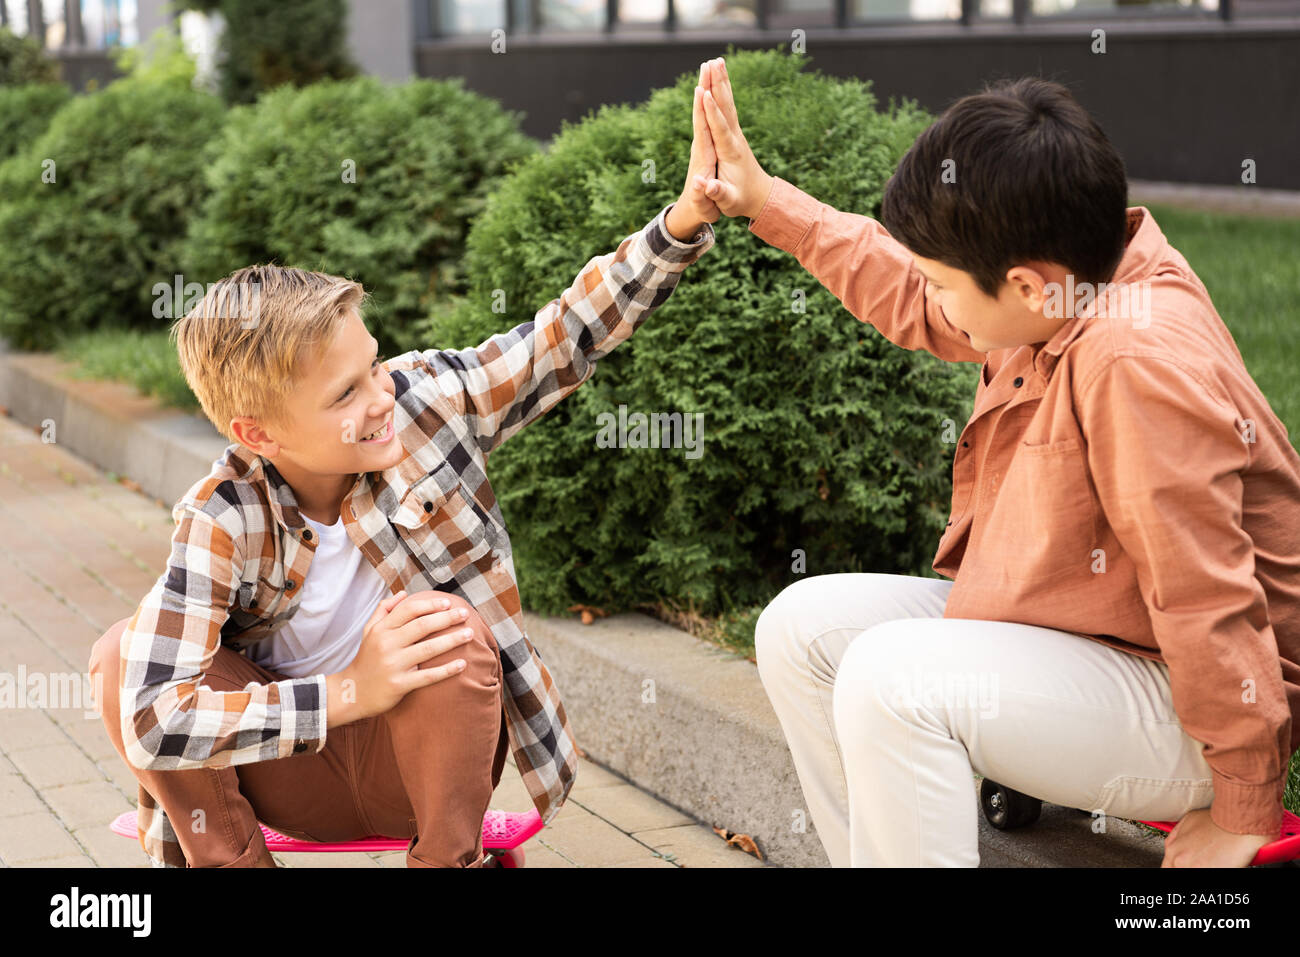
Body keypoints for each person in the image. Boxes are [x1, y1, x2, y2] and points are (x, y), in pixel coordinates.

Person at [87, 64, 723, 868]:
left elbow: (563, 337)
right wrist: (350, 689)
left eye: (375, 364)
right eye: (345, 392)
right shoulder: (223, 514)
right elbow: (148, 714)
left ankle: (444, 862)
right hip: (287, 774)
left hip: (419, 760)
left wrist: (683, 218)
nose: (382, 395)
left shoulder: (428, 403)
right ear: (261, 432)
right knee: (123, 653)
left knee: (451, 630)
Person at [692, 56, 1299, 867]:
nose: (933, 301)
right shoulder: (1070, 281)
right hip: (1105, 641)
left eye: (945, 283)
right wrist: (765, 202)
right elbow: (911, 294)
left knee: (892, 677)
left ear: (1023, 283)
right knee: (801, 630)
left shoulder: (1132, 360)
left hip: (1196, 713)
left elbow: (1205, 591)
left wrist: (1244, 803)